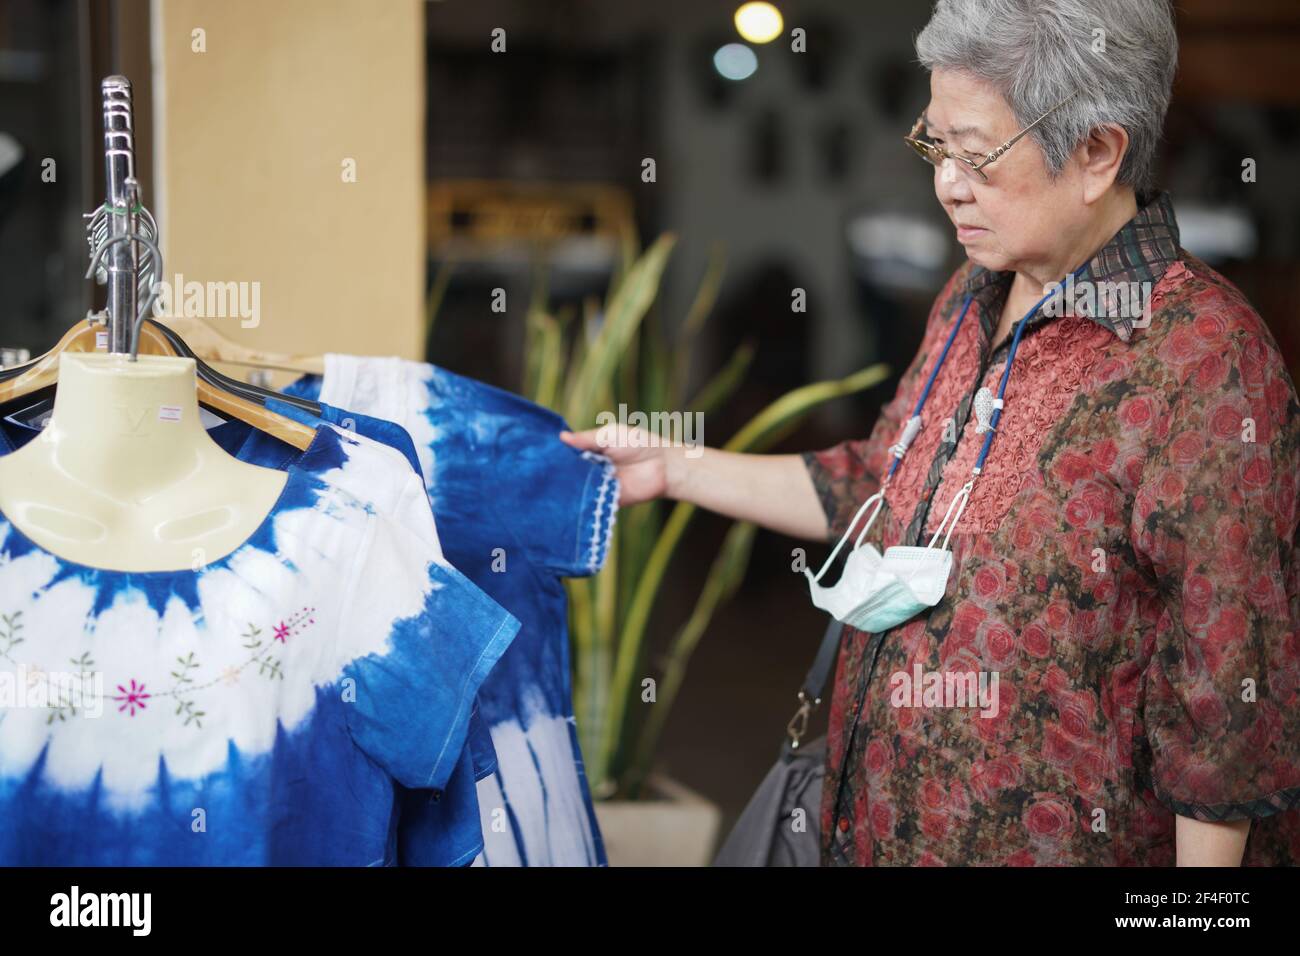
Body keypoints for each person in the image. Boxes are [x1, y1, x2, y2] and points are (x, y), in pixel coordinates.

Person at [561, 0, 1300, 866]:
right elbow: (877, 484)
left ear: (1097, 153)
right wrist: (676, 466)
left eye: (976, 153)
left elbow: (1225, 709)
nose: (946, 183)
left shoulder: (1205, 360)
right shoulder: (969, 296)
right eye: (935, 145)